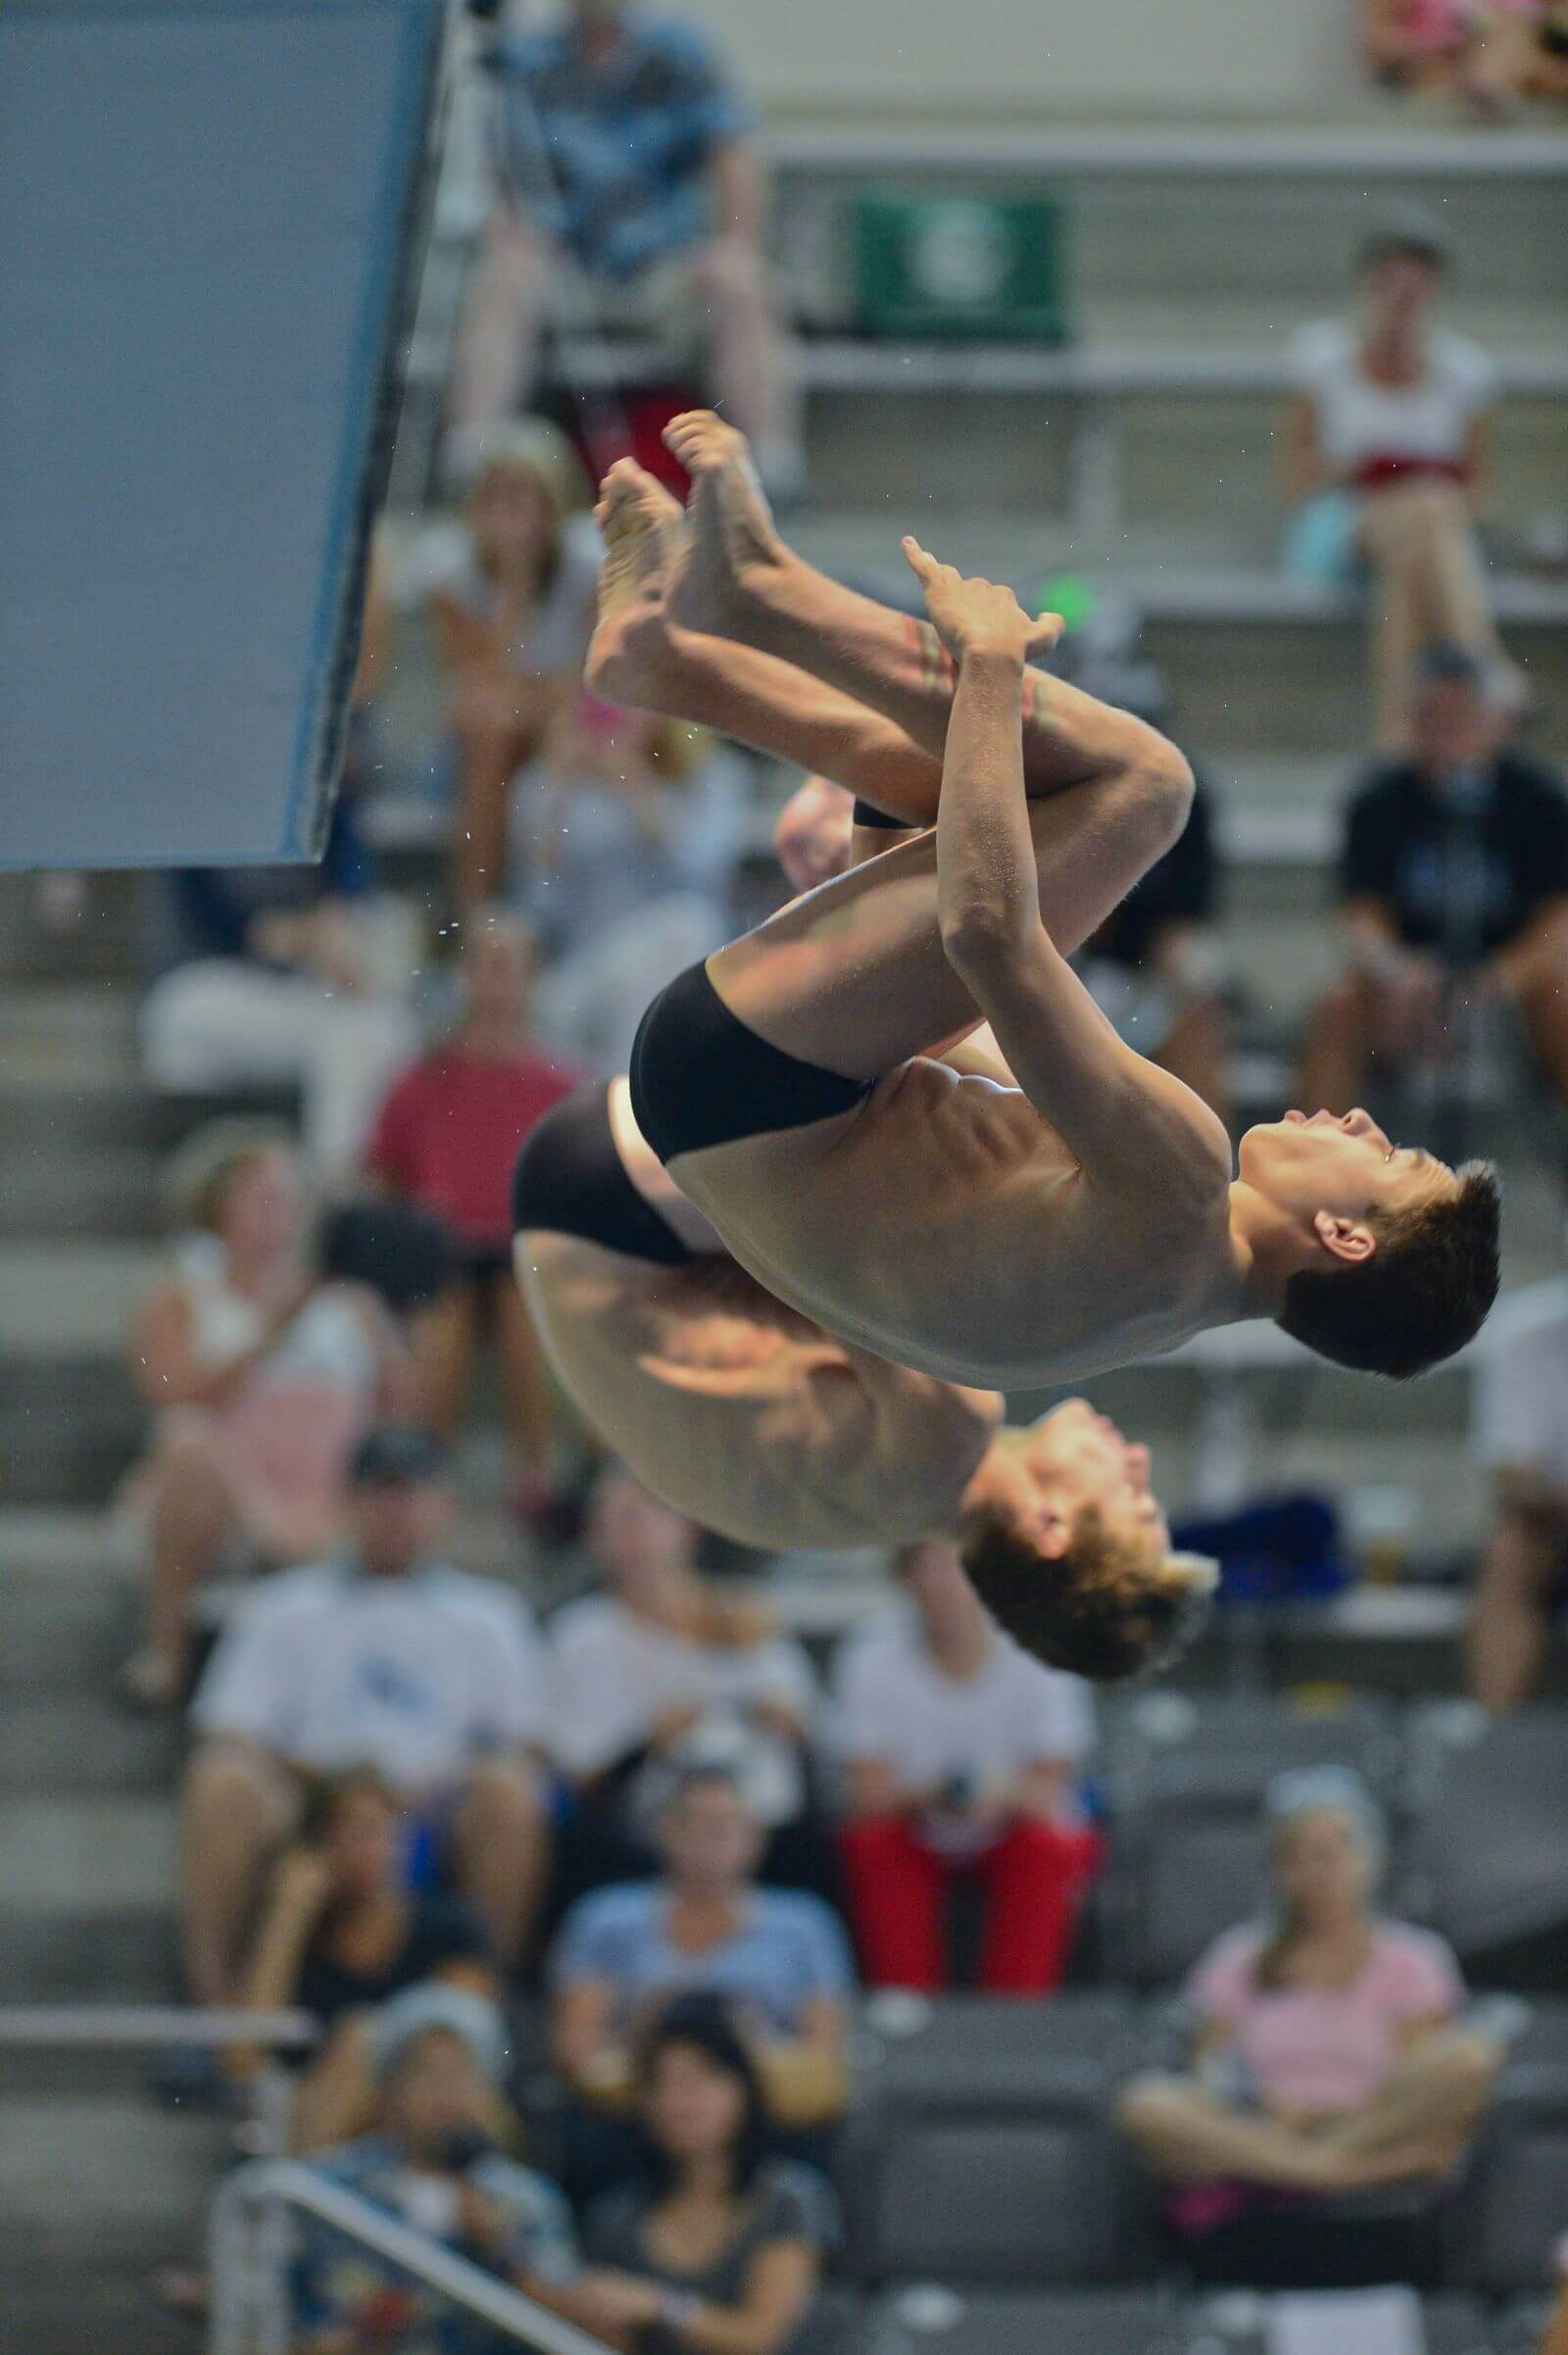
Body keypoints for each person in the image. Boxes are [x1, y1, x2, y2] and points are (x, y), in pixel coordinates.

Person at [592, 422, 1496, 1414]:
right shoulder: (1151, 1301)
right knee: (964, 796)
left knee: (1145, 788)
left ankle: (757, 594)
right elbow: (950, 1075)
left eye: (1392, 1159)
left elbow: (983, 935)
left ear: (1345, 1236)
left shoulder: (1181, 1185)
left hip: (750, 1081)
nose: (1367, 1121)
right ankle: (668, 664)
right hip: (726, 1103)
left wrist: (985, 662)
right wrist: (858, 879)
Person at [515, 1074, 1206, 1682]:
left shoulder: (952, 1432)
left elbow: (839, 1230)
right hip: (578, 1225)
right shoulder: (884, 1506)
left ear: (1047, 1526)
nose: (1140, 1462)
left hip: (612, 1205)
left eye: (1138, 1506)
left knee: (973, 1158)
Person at [182, 1426, 551, 2006]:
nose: (395, 1512)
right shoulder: (281, 1606)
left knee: (510, 1791)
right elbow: (230, 1727)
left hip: (433, 1802)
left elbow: (525, 1741)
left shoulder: (489, 1615)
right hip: (313, 1800)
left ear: (443, 1506)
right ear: (348, 1503)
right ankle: (217, 2011)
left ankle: (488, 2003)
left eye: (411, 1495)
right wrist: (332, 1789)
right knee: (221, 1781)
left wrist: (430, 1788)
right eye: (380, 1494)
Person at [1115, 1771, 1501, 2235]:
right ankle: (1328, 2174)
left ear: (1371, 1859)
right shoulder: (1239, 1957)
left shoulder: (1413, 1959)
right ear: (1276, 1870)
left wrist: (1332, 2117)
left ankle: (1311, 2166)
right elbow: (1211, 2072)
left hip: (1367, 2124)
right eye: (1298, 1857)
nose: (1319, 1872)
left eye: (1334, 1853)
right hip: (1263, 2130)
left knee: (1468, 2057)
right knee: (1148, 2104)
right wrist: (1268, 2110)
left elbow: (1413, 2072)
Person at [452, 0, 803, 501]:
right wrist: (511, 228)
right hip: (565, 268)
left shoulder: (681, 51)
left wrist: (731, 243)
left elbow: (733, 153)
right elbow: (499, 169)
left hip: (666, 269)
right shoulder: (524, 61)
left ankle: (774, 469)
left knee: (740, 280)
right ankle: (472, 462)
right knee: (504, 274)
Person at [122, 1126, 412, 1706]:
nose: (278, 1213)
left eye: (286, 1198)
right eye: (261, 1198)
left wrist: (386, 1340)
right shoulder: (179, 1297)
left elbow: (405, 1412)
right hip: (227, 1499)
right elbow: (172, 1395)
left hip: (328, 1494)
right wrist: (277, 1329)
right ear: (218, 1208)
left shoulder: (351, 1306)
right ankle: (167, 1649)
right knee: (187, 1443)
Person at [1278, 215, 1520, 750]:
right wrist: (1365, 469)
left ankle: (1399, 733)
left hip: (1423, 537)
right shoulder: (1322, 360)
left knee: (1418, 531)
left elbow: (1480, 496)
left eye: (1414, 289)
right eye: (1390, 286)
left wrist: (1422, 489)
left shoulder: (1464, 376)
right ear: (1367, 288)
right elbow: (1296, 480)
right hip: (1342, 525)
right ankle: (1486, 672)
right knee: (1422, 512)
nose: (1401, 301)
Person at [365, 908, 582, 1501]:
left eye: (508, 967)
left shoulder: (559, 1086)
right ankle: (429, 1475)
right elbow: (381, 1178)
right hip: (444, 1258)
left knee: (521, 1304)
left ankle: (536, 1481)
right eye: (485, 965)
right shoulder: (420, 1081)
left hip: (523, 1260)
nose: (496, 981)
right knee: (449, 1312)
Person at [1300, 642, 1568, 1123]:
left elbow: (1557, 921)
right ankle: (1316, 1176)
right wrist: (1396, 968)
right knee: (1339, 1006)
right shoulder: (1378, 801)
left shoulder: (1540, 801)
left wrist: (1501, 978)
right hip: (1409, 980)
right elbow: (1361, 917)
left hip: (1513, 977)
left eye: (1462, 715)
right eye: (1432, 715)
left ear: (1495, 721)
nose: (1449, 731)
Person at [832, 1538, 1101, 1994]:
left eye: (962, 1569)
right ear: (906, 1579)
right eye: (931, 1568)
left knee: (1050, 1846)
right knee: (872, 1845)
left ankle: (1017, 2011)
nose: (947, 1587)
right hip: (913, 1827)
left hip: (1010, 1827)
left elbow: (1050, 1791)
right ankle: (908, 2007)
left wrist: (995, 1795)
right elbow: (868, 1796)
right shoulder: (869, 1657)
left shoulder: (1043, 1649)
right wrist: (933, 1796)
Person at [549, 1466, 830, 1902]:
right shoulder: (580, 1636)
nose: (631, 1536)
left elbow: (806, 1723)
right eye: (614, 1521)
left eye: (642, 1516)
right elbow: (577, 1773)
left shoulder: (745, 1622)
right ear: (594, 1538)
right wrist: (647, 1741)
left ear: (689, 1528)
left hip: (762, 1821)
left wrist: (784, 1722)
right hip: (644, 1828)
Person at [548, 1763, 853, 2138]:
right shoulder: (605, 1918)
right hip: (635, 2116)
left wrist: (739, 2052)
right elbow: (576, 2051)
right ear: (665, 1831)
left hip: (766, 2120)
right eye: (695, 1824)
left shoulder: (805, 1925)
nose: (711, 1841)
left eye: (726, 1826)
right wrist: (656, 2044)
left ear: (756, 1838)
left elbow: (824, 2061)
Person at [291, 1987, 591, 2355]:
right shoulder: (326, 2192)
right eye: (425, 2072)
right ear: (391, 2088)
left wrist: (498, 2244)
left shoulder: (526, 2200)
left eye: (462, 2073)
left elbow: (565, 2321)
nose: (445, 2091)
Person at [231, 1768, 498, 2152]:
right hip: (321, 2119)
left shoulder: (447, 1927)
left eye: (383, 1831)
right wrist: (288, 1915)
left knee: (364, 2035)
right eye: (353, 1832)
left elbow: (467, 2043)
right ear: (319, 1846)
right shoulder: (297, 1943)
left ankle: (307, 2195)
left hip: (433, 2125)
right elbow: (242, 2060)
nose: (374, 1849)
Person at [392, 420, 600, 908]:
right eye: (497, 497)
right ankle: (476, 911)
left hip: (563, 726)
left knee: (547, 733)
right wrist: (514, 577)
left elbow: (588, 683)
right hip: (474, 746)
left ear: (554, 504)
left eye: (524, 496)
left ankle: (537, 913)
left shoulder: (588, 565)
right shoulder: (450, 571)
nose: (511, 512)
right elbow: (481, 683)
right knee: (490, 731)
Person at [579, 1995, 844, 2355]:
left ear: (744, 2089)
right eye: (662, 2081)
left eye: (704, 2076)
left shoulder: (789, 2198)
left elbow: (760, 2338)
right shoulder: (616, 2217)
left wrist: (657, 2304)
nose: (682, 2099)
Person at [514, 693, 750, 1074]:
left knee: (685, 927)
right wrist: (557, 791)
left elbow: (707, 878)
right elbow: (538, 901)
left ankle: (632, 1096)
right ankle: (629, 1099)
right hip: (579, 973)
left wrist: (636, 788)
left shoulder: (711, 774)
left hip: (672, 978)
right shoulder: (544, 782)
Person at [1072, 774, 1231, 1129]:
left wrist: (1177, 977)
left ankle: (1208, 1162)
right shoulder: (1063, 787)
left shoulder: (1184, 793)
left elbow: (1187, 918)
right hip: (1080, 961)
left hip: (1149, 969)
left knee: (1196, 1005)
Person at [1467, 1277, 1568, 1709]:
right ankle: (1496, 1729)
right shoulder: (1529, 1332)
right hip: (1551, 1530)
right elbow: (1517, 1478)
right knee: (1512, 1552)